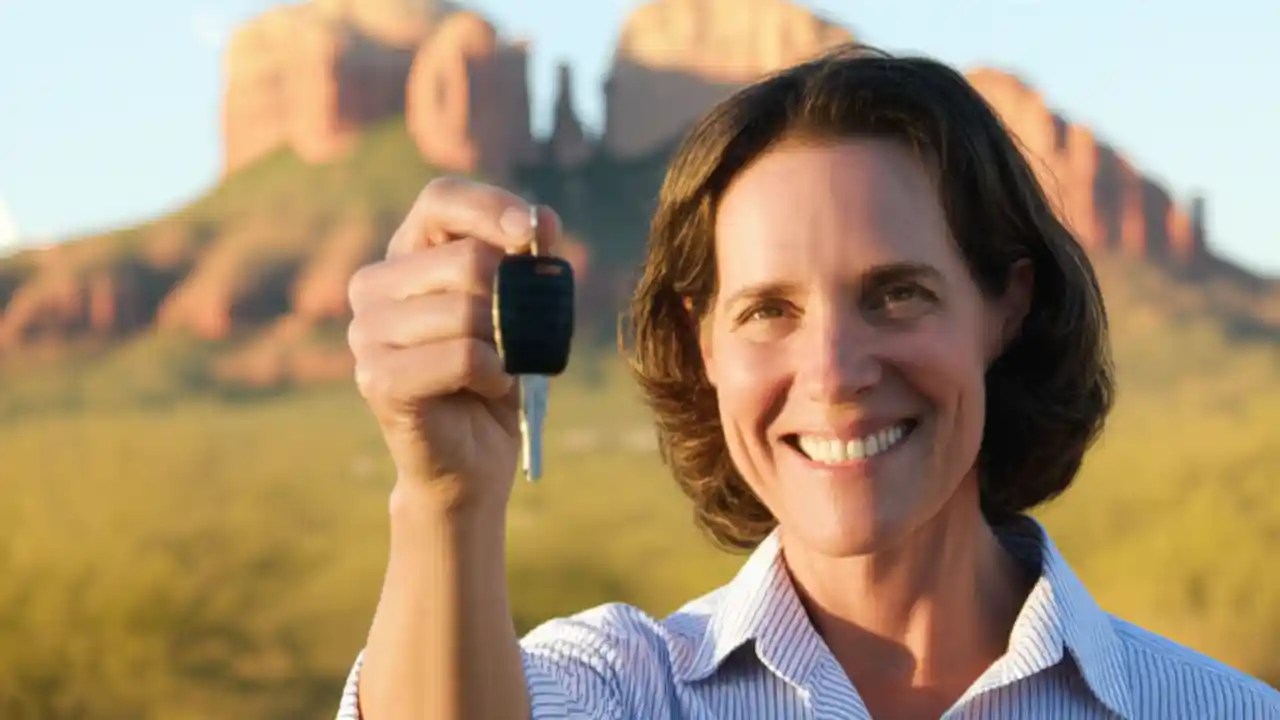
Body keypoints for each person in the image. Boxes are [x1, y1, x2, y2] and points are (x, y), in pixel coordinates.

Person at [336, 45, 1280, 719]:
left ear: (1007, 306)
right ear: (700, 343)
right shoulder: (619, 690)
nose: (832, 372)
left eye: (898, 295)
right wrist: (447, 499)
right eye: (766, 311)